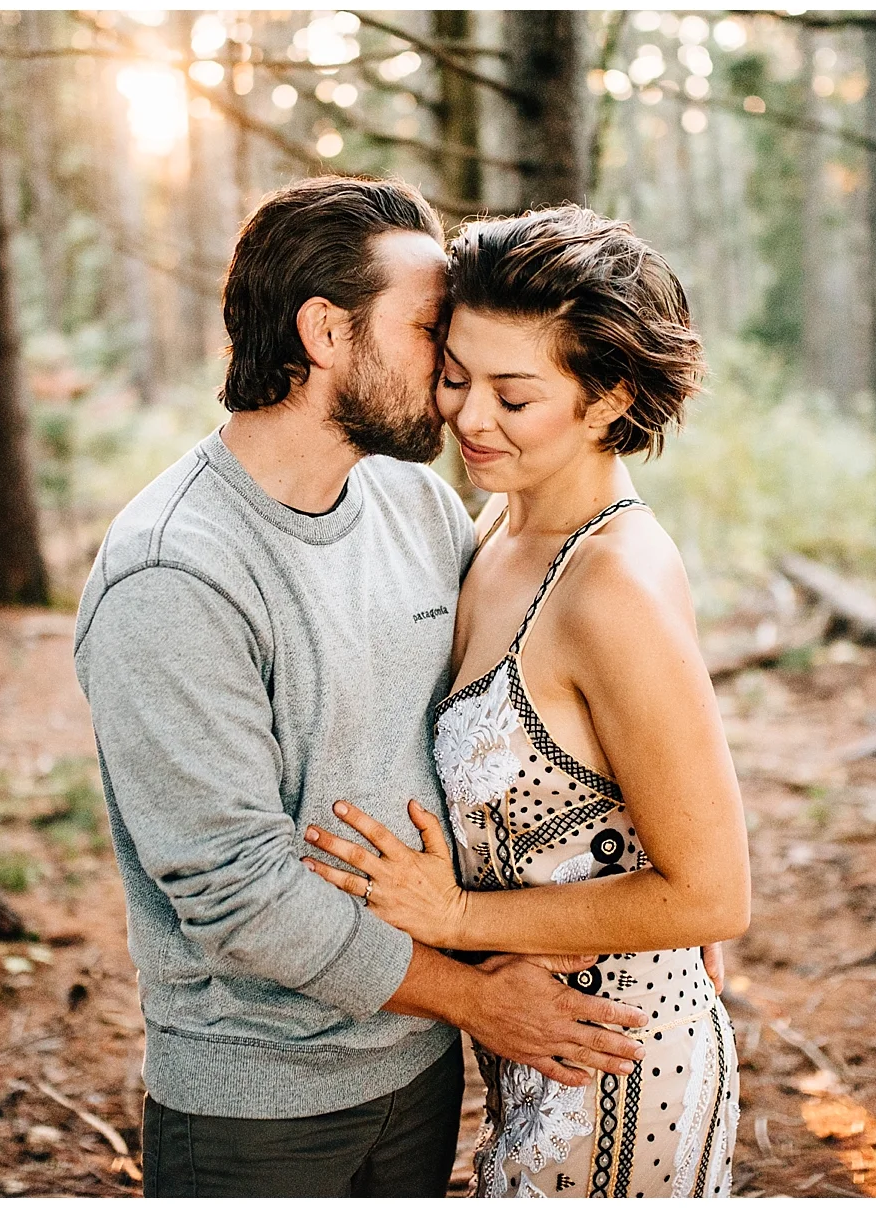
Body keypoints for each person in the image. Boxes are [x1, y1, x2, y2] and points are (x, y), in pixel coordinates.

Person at [72, 177, 651, 1198]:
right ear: (327, 331)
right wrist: (474, 996)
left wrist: (662, 903)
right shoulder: (174, 573)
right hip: (259, 1106)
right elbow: (236, 890)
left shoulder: (418, 506)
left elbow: (528, 714)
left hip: (420, 1070)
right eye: (432, 331)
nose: (455, 371)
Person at [302, 206, 752, 1198]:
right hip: (525, 1058)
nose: (468, 418)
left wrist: (457, 914)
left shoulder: (611, 585)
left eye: (515, 394)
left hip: (622, 1064)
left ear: (609, 397)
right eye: (456, 376)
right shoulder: (496, 526)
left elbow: (714, 893)